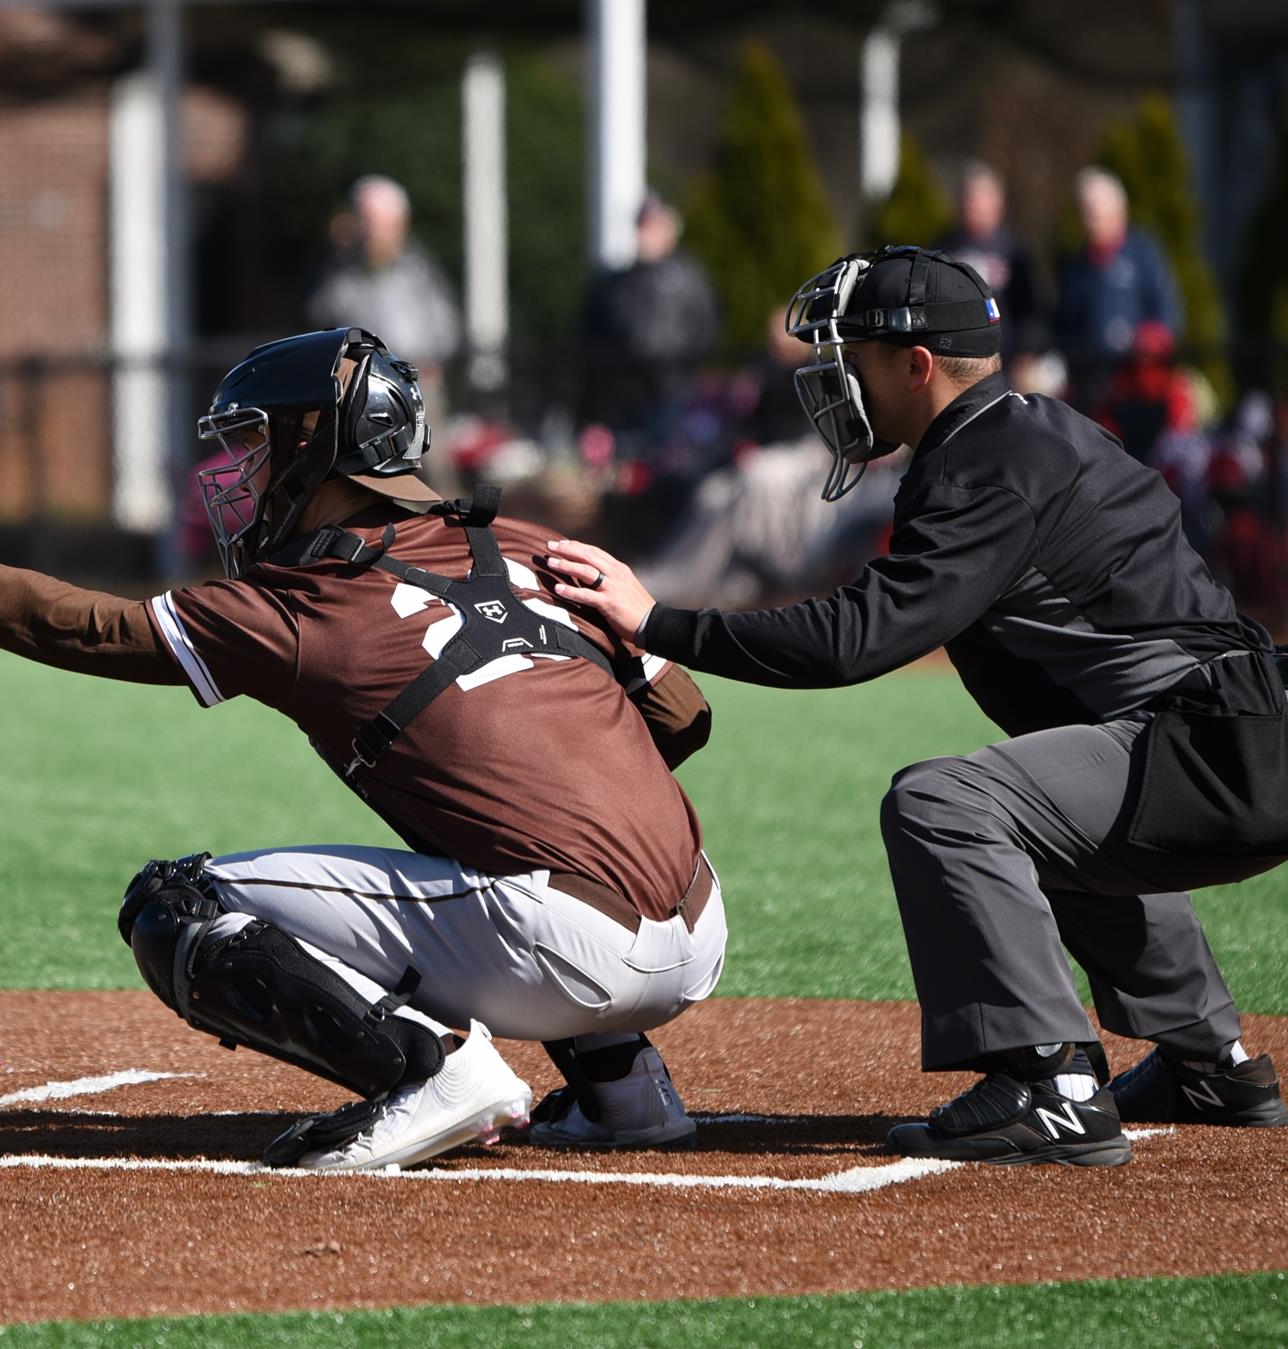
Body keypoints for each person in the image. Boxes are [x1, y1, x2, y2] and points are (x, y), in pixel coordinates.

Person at [0, 327, 726, 1171]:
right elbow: (684, 722)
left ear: (317, 445)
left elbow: (80, 626)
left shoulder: (303, 602)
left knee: (176, 905)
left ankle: (439, 1074)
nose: (239, 473)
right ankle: (625, 1095)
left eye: (257, 444)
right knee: (506, 835)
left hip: (561, 944)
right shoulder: (520, 539)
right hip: (697, 924)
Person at [546, 245, 1286, 1167]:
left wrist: (658, 622)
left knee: (946, 802)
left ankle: (1050, 1082)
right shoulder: (1036, 428)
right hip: (1231, 737)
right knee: (1046, 796)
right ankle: (1212, 1061)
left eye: (848, 357)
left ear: (916, 364)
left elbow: (857, 639)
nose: (832, 381)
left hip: (1212, 748)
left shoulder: (988, 461)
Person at [307, 177, 462, 425]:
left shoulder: (420, 269)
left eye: (382, 225)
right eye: (367, 223)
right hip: (361, 385)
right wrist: (336, 255)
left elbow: (445, 324)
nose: (374, 233)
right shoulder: (341, 271)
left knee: (428, 454)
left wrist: (431, 360)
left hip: (416, 381)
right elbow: (322, 316)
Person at [576, 193, 719, 462]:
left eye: (653, 226)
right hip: (623, 396)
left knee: (664, 462)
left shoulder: (688, 278)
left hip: (673, 392)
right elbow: (594, 336)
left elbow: (704, 329)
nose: (645, 235)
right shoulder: (614, 283)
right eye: (642, 226)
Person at [1054, 167, 1184, 413]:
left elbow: (1167, 312)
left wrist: (1148, 343)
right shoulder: (1076, 266)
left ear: (1119, 213)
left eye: (1096, 214)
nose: (1091, 222)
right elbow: (1064, 323)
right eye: (1086, 214)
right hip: (1091, 386)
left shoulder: (1144, 255)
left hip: (1137, 385)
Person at [934, 161, 1043, 359]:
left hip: (1004, 357)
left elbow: (1030, 311)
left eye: (980, 198)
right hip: (957, 357)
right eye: (969, 198)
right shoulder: (944, 249)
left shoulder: (1015, 251)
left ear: (998, 204)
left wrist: (1028, 352)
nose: (973, 205)